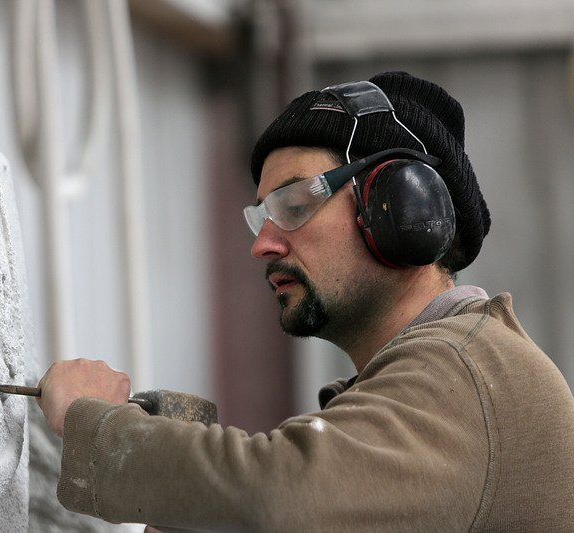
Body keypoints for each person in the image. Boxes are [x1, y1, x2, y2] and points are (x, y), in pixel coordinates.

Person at [37, 71, 574, 532]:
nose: (262, 244)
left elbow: (279, 494)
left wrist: (97, 423)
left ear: (400, 206)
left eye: (294, 203)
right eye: (260, 216)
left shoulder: (465, 368)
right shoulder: (426, 385)